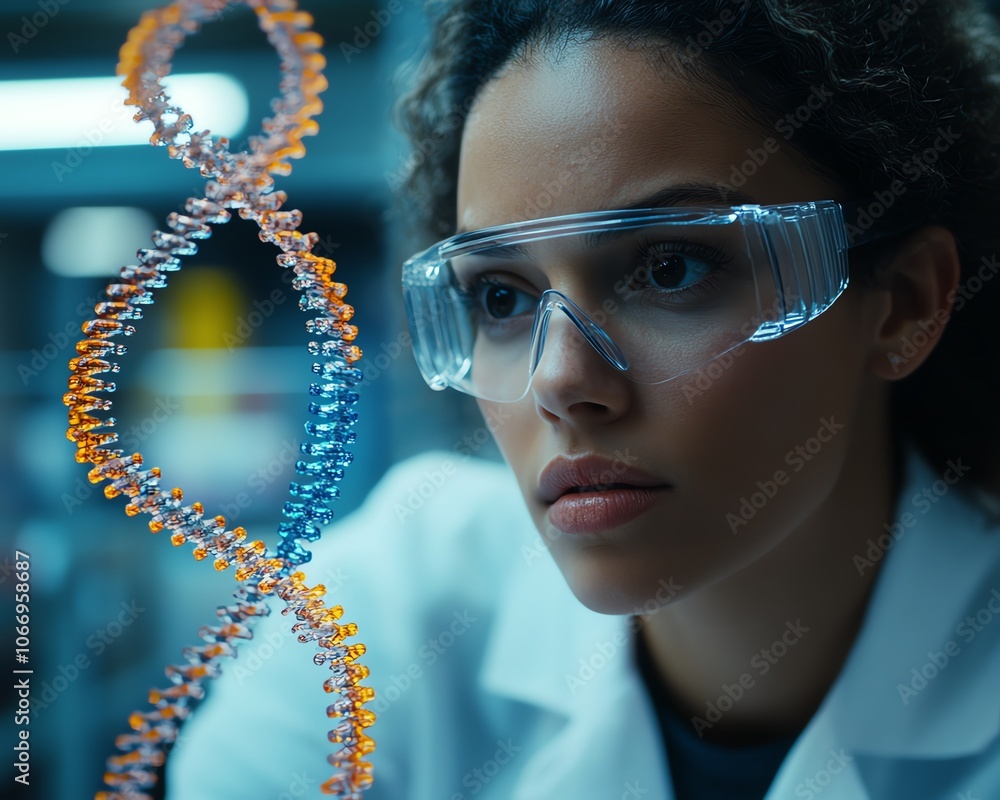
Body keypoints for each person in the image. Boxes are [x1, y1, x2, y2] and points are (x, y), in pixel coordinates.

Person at [168, 1, 1000, 797]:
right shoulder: (381, 621)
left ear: (904, 303)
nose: (559, 381)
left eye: (672, 267)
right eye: (502, 297)